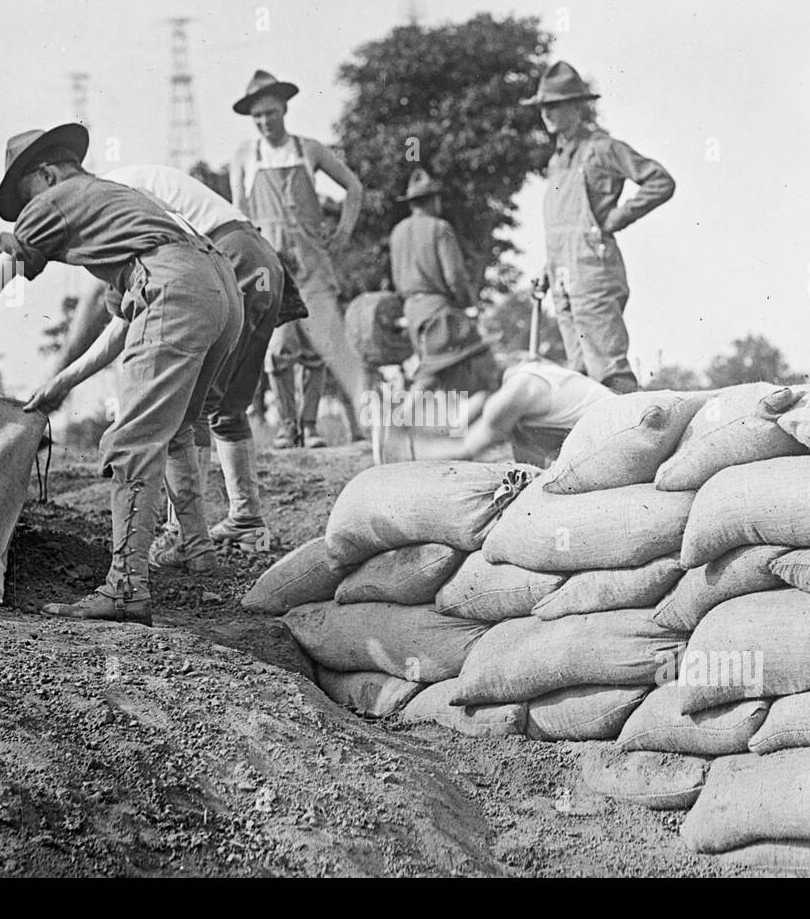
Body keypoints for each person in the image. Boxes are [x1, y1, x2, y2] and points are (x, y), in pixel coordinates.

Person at [0, 124, 242, 626]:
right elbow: (122, 326)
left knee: (133, 440)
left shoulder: (58, 199)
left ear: (46, 172)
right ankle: (196, 549)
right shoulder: (120, 204)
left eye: (26, 194)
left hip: (177, 286)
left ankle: (126, 589)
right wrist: (62, 381)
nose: (29, 211)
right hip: (219, 286)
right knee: (176, 426)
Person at [54, 163, 286, 559]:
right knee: (227, 407)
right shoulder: (135, 184)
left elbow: (103, 303)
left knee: (188, 409)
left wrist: (61, 368)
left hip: (222, 259)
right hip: (262, 258)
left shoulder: (111, 196)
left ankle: (182, 536)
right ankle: (246, 520)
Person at [230, 70, 368, 448]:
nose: (264, 122)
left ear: (284, 109)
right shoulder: (245, 155)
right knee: (277, 346)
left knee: (317, 344)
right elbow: (238, 213)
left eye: (270, 113)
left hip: (311, 259)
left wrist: (343, 232)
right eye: (257, 116)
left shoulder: (309, 149)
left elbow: (353, 186)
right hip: (268, 263)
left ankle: (309, 426)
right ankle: (287, 426)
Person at [523, 62, 675, 394]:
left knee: (608, 369)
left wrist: (617, 218)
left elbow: (660, 180)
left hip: (592, 271)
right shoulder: (556, 161)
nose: (546, 113)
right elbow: (563, 225)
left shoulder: (602, 148)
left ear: (577, 106)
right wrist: (548, 270)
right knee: (578, 376)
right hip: (562, 275)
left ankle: (639, 440)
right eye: (542, 107)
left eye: (554, 105)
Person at [388, 168, 497, 394]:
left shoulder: (397, 232)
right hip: (437, 311)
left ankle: (417, 423)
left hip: (412, 311)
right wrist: (468, 303)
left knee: (433, 373)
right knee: (461, 372)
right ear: (433, 200)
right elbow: (454, 276)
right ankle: (406, 421)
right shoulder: (439, 228)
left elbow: (397, 279)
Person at [389, 357, 610, 467]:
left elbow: (464, 448)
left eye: (446, 381)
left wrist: (404, 452)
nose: (448, 391)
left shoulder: (511, 395)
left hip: (613, 441)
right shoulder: (520, 372)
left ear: (466, 368)